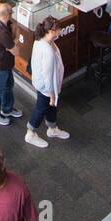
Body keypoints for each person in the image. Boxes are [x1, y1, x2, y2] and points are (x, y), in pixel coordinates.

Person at [26, 17, 69, 148]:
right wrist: (51, 95)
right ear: (51, 31)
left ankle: (52, 128)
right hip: (46, 87)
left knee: (52, 107)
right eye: (58, 29)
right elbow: (47, 76)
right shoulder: (47, 50)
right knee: (41, 108)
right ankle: (30, 133)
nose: (60, 31)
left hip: (46, 85)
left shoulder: (43, 41)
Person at [0, 3, 23, 125]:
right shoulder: (2, 33)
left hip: (3, 63)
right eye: (11, 13)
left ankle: (7, 109)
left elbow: (12, 27)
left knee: (8, 85)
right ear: (7, 15)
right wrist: (16, 37)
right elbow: (16, 52)